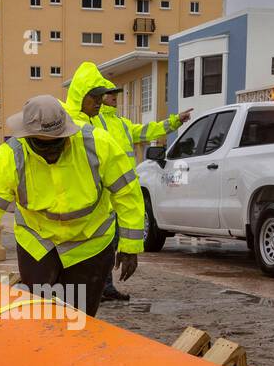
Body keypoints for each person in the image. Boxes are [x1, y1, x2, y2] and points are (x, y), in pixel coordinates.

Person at [0, 95, 143, 316]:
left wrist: (130, 247)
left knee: (81, 316)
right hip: (38, 242)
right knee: (37, 312)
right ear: (26, 136)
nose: (50, 152)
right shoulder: (11, 156)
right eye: (40, 144)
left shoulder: (98, 145)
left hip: (89, 243)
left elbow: (127, 194)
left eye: (57, 143)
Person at [65, 62, 191, 300]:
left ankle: (105, 287)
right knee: (101, 246)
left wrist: (175, 121)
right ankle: (97, 287)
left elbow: (148, 131)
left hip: (119, 194)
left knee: (111, 244)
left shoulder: (121, 124)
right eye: (108, 94)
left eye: (112, 94)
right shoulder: (91, 121)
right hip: (100, 197)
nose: (111, 98)